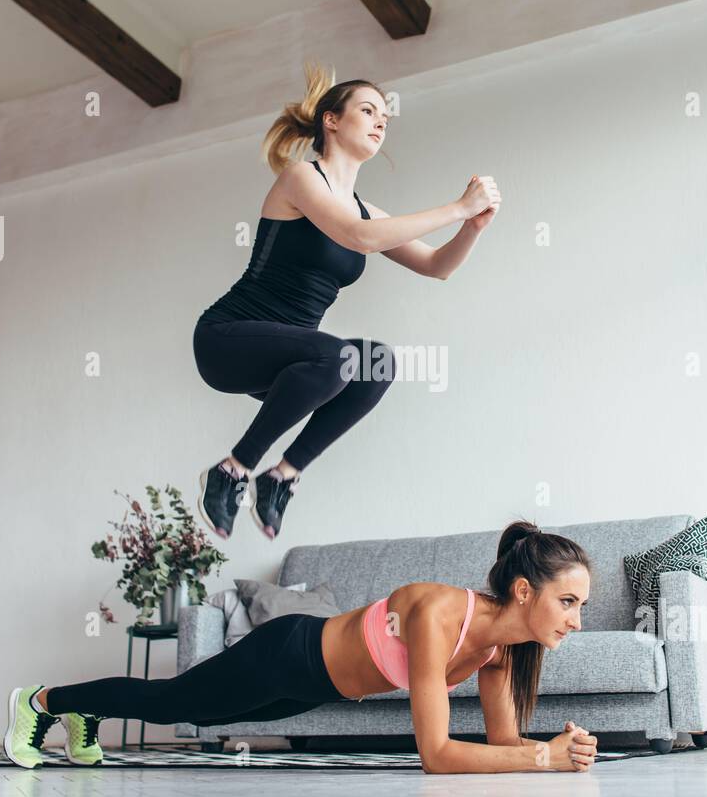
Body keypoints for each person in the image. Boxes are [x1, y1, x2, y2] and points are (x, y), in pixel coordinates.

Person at [3, 521, 601, 774]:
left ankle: (84, 712)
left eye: (581, 606)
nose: (576, 620)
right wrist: (539, 758)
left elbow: (501, 745)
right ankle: (42, 702)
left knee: (199, 710)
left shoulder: (504, 652)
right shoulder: (440, 613)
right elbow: (437, 753)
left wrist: (562, 749)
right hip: (288, 653)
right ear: (524, 591)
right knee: (174, 705)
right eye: (568, 602)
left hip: (309, 690)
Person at [192, 60, 501, 541]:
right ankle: (232, 470)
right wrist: (456, 206)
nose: (381, 121)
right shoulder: (300, 178)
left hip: (290, 365)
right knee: (336, 354)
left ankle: (283, 477)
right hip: (226, 341)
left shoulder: (365, 209)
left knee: (376, 362)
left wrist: (471, 227)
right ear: (330, 121)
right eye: (368, 110)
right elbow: (359, 237)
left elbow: (437, 266)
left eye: (386, 117)